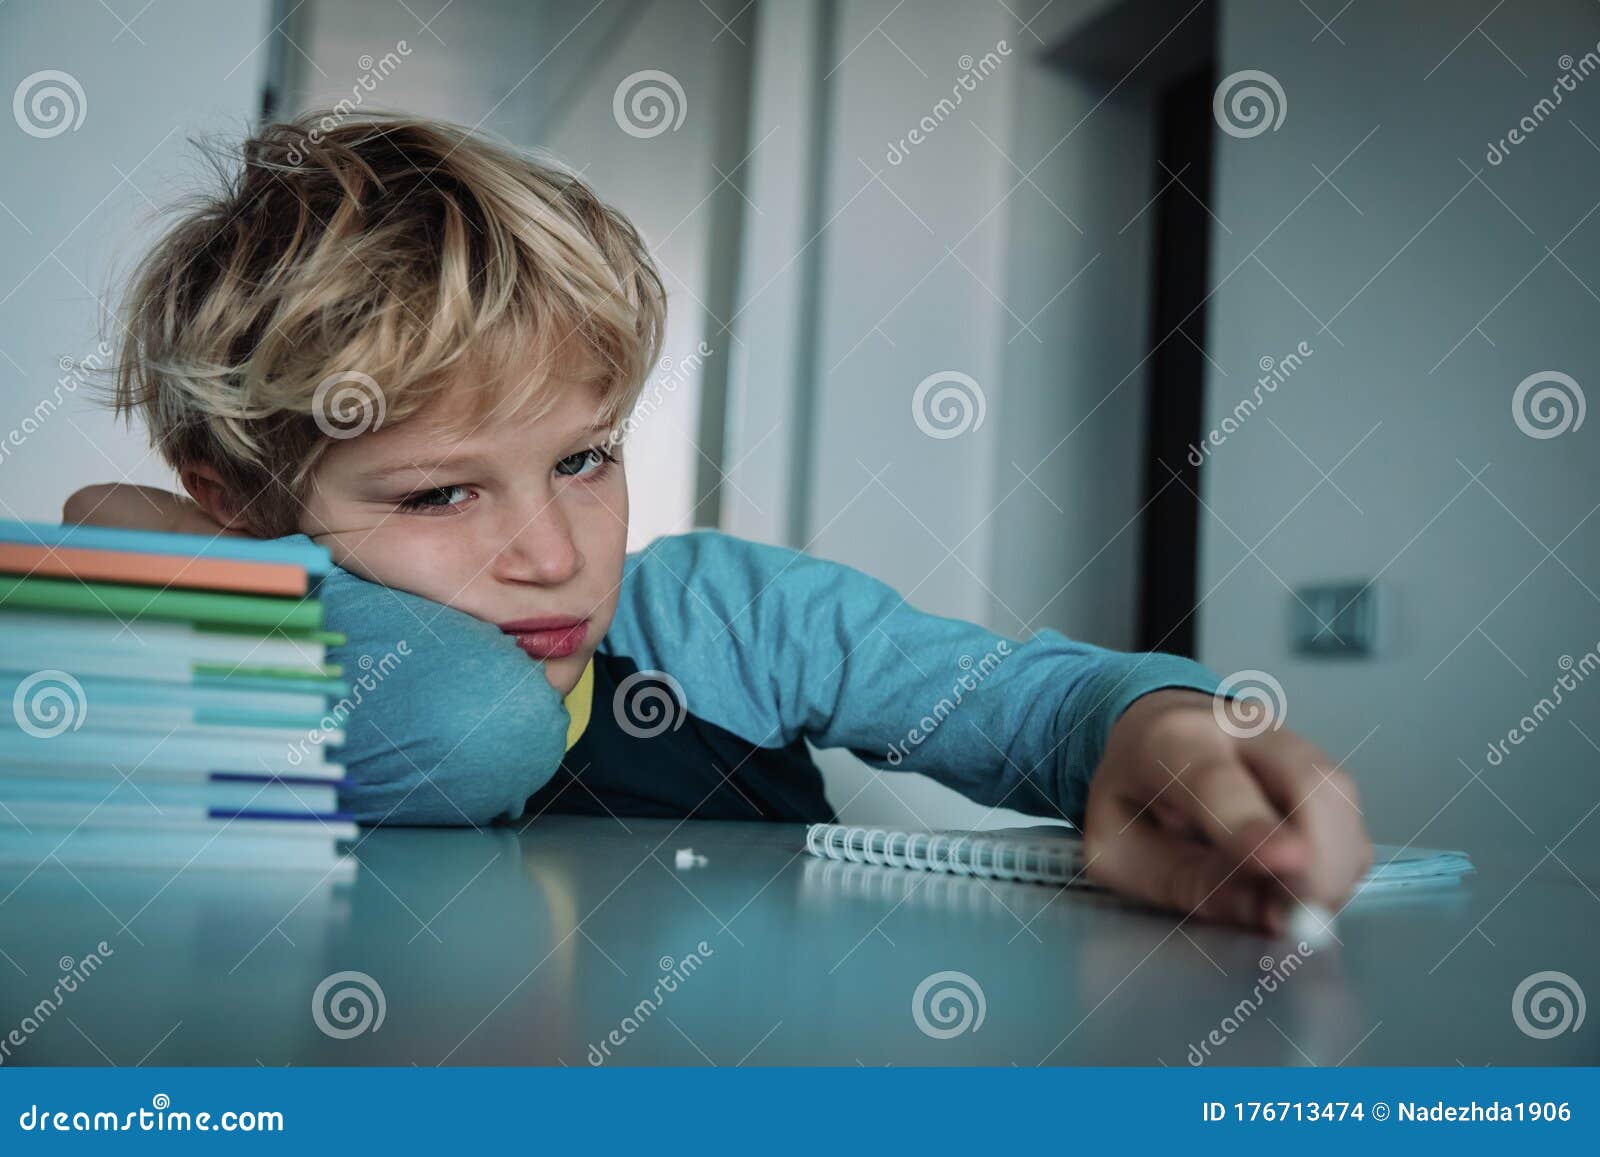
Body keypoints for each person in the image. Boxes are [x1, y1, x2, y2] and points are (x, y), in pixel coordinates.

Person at [64, 110, 1371, 933]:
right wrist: (226, 558)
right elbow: (462, 724)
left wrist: (1160, 723)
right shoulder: (232, 678)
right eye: (443, 491)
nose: (556, 552)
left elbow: (1025, 702)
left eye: (584, 456)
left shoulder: (721, 619)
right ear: (236, 499)